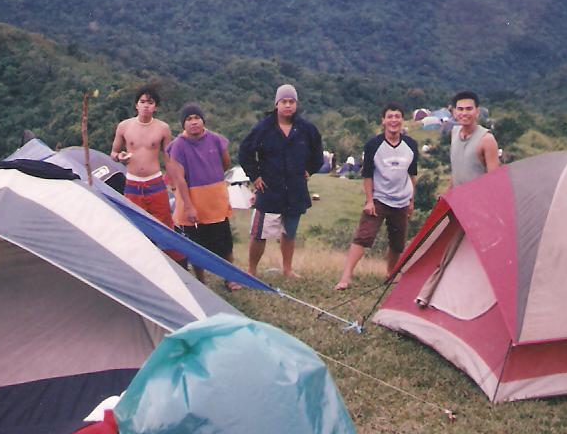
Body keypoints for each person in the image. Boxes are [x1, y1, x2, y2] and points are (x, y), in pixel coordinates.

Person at [238, 84, 323, 278]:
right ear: (276, 104)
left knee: (289, 232)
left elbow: (318, 154)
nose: (288, 105)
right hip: (270, 189)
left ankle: (287, 269)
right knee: (260, 233)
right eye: (283, 101)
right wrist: (255, 176)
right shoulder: (264, 128)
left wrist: (309, 170)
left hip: (295, 189)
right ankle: (251, 271)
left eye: (291, 102)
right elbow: (245, 152)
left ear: (296, 104)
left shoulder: (306, 129)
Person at [335, 103, 417, 290]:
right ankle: (346, 277)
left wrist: (411, 200)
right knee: (363, 236)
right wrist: (370, 201)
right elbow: (368, 175)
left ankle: (390, 274)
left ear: (402, 120)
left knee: (397, 242)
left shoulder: (411, 145)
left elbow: (412, 175)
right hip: (379, 199)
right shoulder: (373, 145)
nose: (394, 120)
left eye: (397, 116)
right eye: (390, 116)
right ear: (383, 121)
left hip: (401, 200)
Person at [111, 86, 194, 263]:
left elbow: (168, 158)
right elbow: (113, 153)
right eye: (142, 102)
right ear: (136, 105)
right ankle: (139, 263)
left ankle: (175, 265)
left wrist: (175, 183)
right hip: (132, 184)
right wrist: (120, 157)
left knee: (164, 225)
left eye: (150, 102)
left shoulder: (162, 128)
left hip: (155, 182)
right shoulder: (124, 126)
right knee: (134, 226)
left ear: (155, 107)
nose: (146, 106)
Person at [166, 103, 242, 290]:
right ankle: (201, 281)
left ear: (203, 121)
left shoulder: (215, 140)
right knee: (195, 246)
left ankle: (230, 277)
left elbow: (225, 163)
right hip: (191, 200)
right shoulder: (178, 146)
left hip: (215, 199)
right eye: (189, 119)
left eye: (196, 118)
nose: (193, 122)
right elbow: (179, 179)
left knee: (224, 243)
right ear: (183, 124)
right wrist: (190, 206)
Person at [449, 90, 499, 187]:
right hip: (457, 199)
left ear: (477, 112)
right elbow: (455, 172)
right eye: (460, 109)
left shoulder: (487, 139)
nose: (464, 113)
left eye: (469, 109)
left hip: (479, 199)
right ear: (454, 112)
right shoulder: (454, 133)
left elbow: (494, 178)